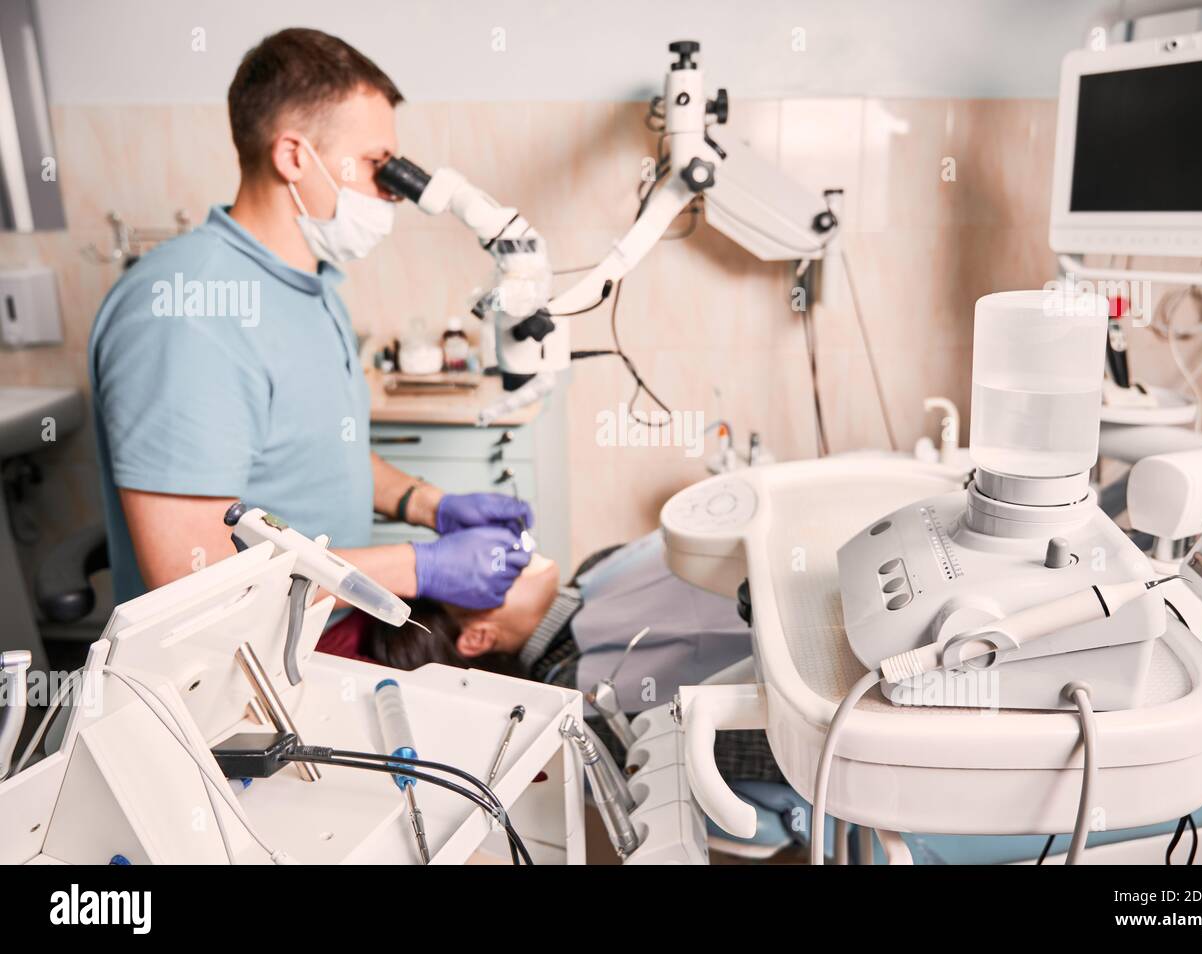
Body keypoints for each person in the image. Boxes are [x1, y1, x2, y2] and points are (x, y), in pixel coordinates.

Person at [88, 28, 530, 619]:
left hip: (321, 628)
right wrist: (416, 568)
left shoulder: (311, 286)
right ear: (295, 156)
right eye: (378, 165)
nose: (394, 192)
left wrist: (429, 505)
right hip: (234, 673)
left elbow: (315, 452)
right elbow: (189, 577)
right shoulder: (189, 312)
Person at [321, 531, 782, 783]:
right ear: (479, 637)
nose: (501, 556)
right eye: (477, 574)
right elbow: (769, 746)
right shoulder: (583, 707)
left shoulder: (598, 564)